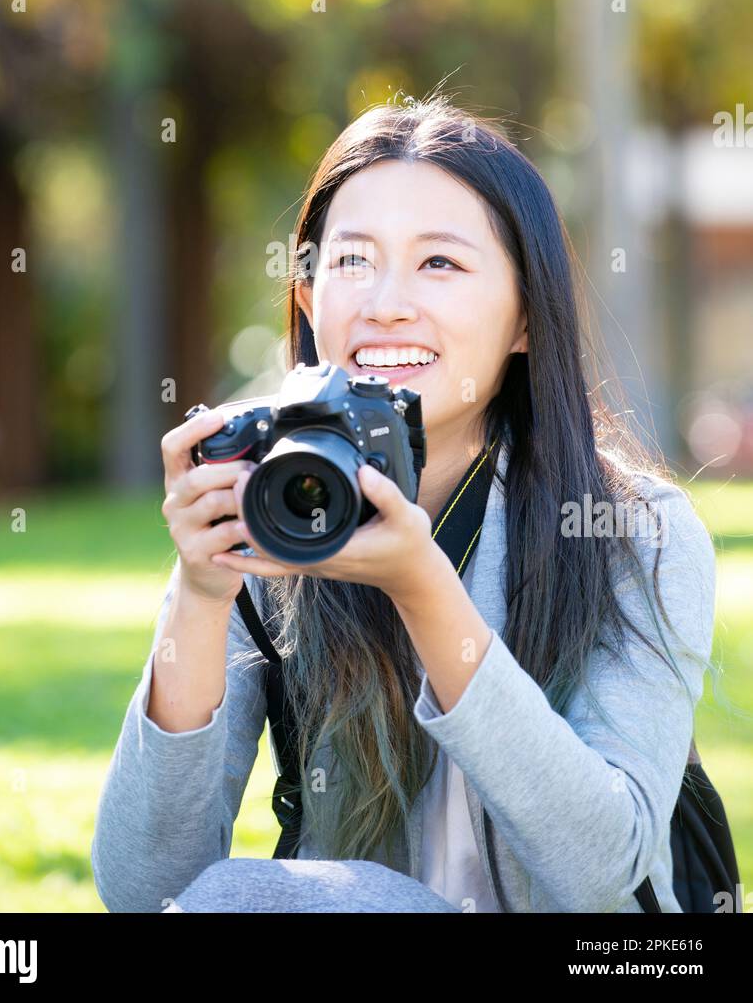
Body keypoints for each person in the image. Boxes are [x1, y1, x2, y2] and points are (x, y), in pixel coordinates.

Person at [90, 94, 717, 913]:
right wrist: (203, 595)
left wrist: (423, 588)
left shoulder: (634, 531)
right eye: (351, 261)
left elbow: (599, 874)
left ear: (527, 317)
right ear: (311, 302)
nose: (384, 302)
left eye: (439, 264)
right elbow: (144, 891)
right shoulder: (274, 510)